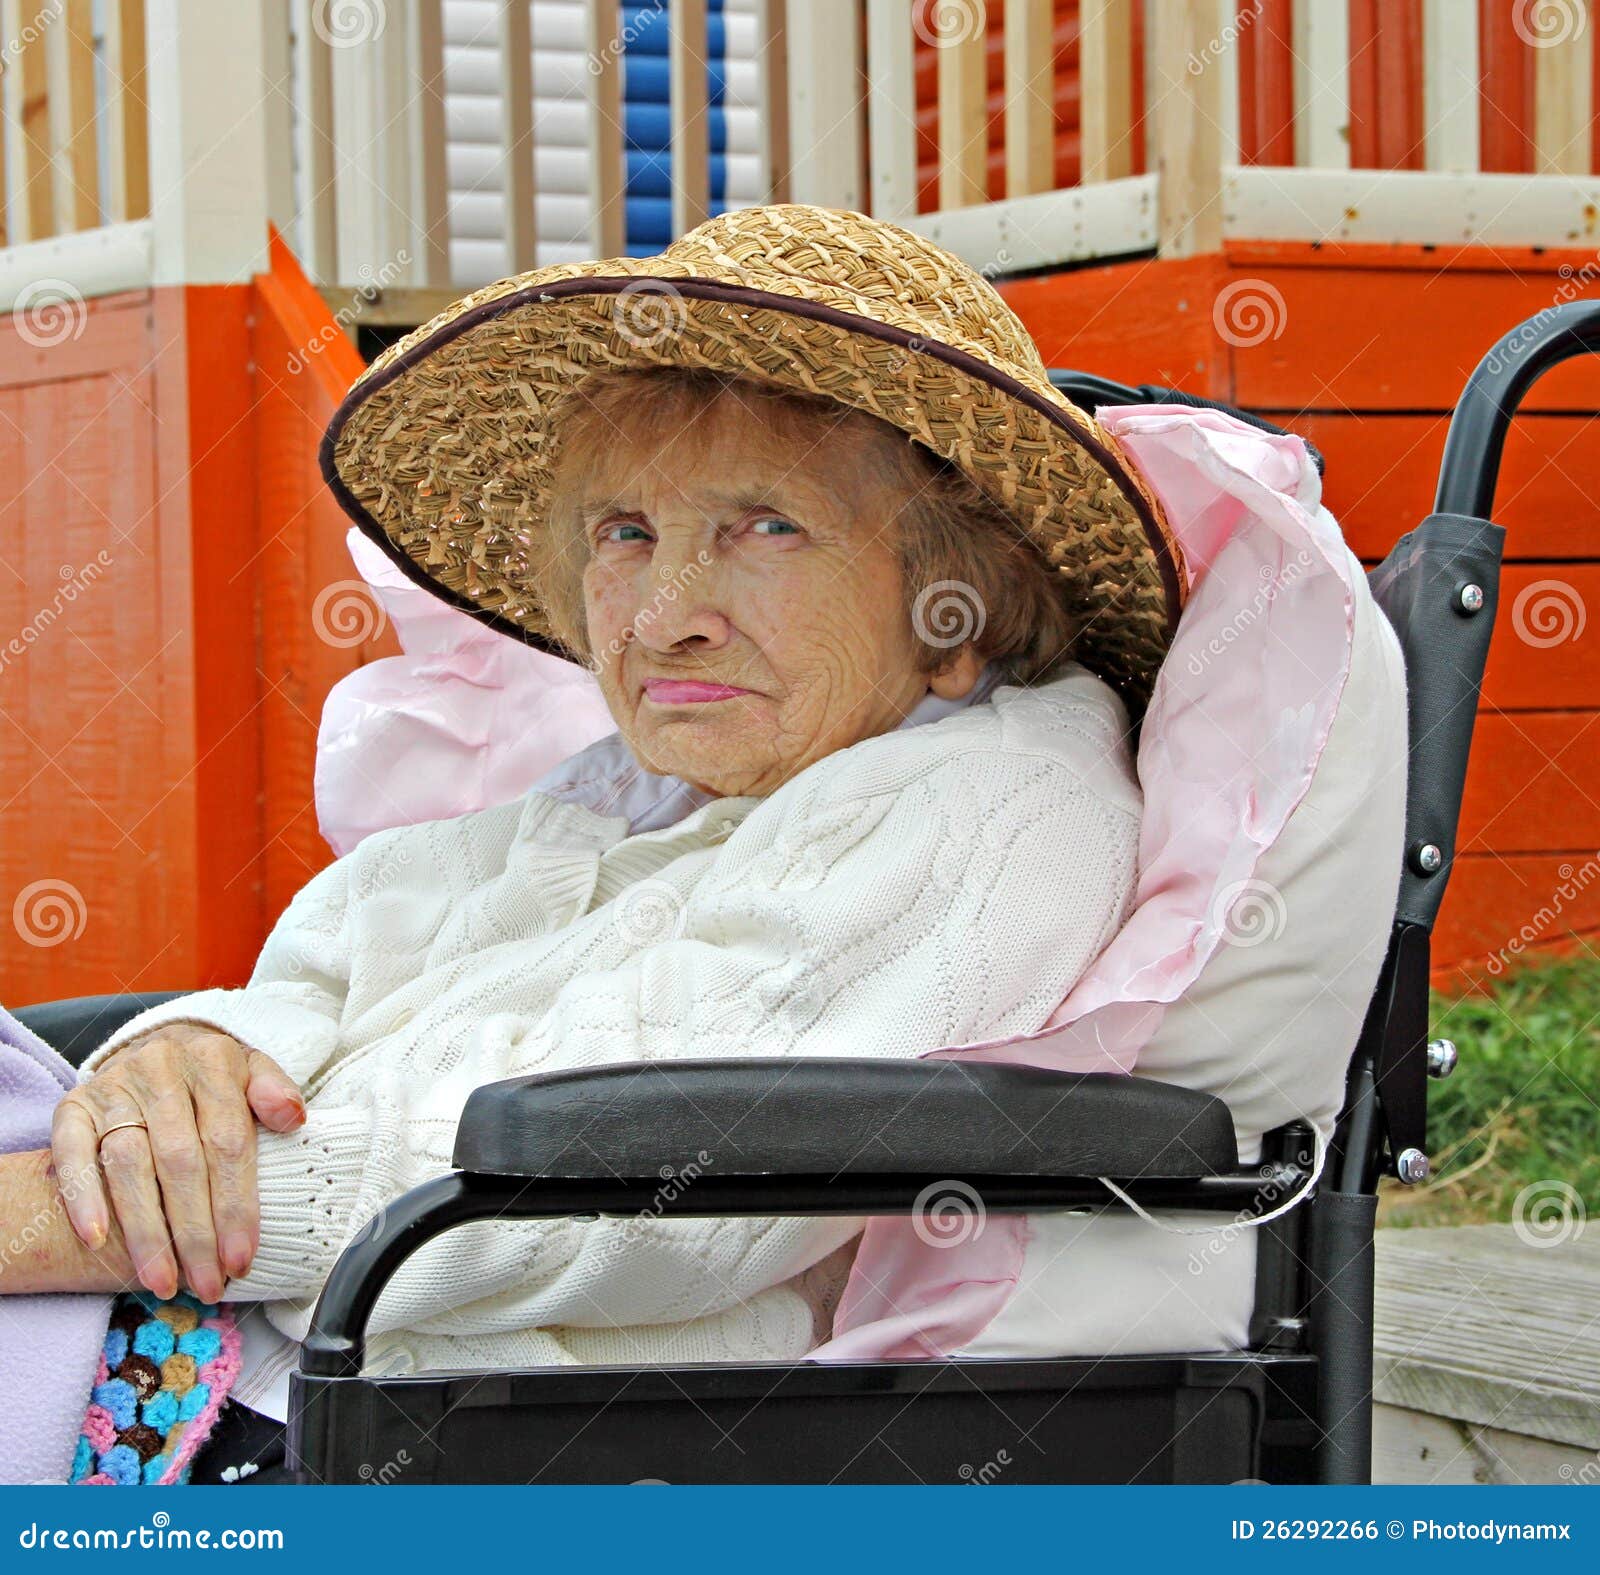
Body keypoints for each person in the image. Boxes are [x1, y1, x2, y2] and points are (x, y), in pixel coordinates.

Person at [0, 206, 1195, 1478]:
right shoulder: (648, 784)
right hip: (238, 1334)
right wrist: (198, 1050)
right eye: (625, 535)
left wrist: (83, 1219)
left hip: (387, 1430)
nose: (664, 617)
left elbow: (656, 1183)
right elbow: (345, 943)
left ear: (956, 595)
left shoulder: (997, 809)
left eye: (763, 526)